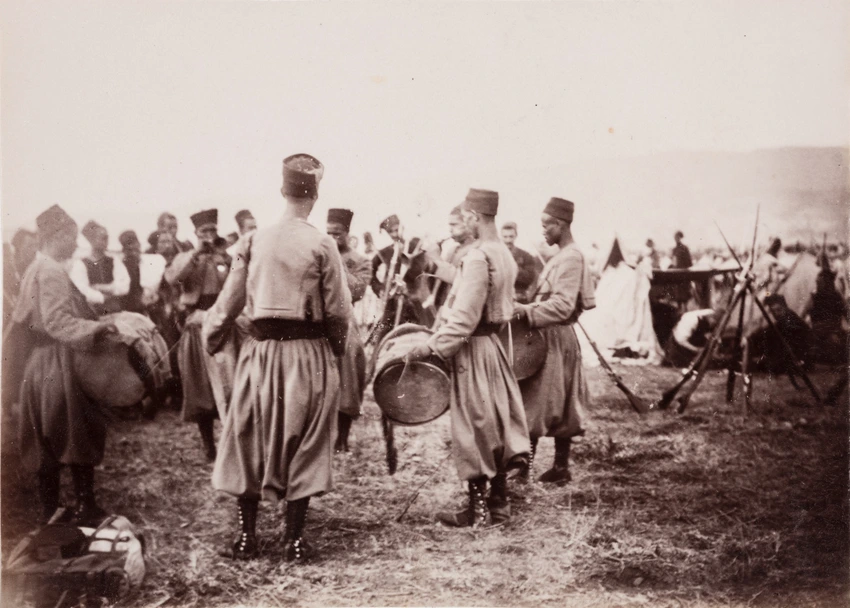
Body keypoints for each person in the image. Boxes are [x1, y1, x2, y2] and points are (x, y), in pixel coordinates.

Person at [203, 153, 351, 562]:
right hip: (308, 354)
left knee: (249, 434)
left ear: (282, 190)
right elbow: (339, 310)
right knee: (305, 438)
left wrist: (212, 338)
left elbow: (228, 301)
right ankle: (294, 540)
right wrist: (335, 354)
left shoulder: (250, 240)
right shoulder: (322, 243)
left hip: (261, 353)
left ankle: (247, 538)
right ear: (315, 195)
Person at [403, 189, 530, 528]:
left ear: (474, 217)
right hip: (494, 348)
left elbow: (463, 319)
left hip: (472, 350)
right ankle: (499, 504)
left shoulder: (477, 258)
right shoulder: (503, 253)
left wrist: (430, 347)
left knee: (472, 428)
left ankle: (477, 510)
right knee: (496, 425)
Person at [3, 205, 118, 523]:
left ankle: (50, 510)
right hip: (57, 361)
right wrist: (97, 328)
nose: (75, 243)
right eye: (71, 236)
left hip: (37, 365)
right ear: (56, 236)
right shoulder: (51, 270)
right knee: (75, 427)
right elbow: (56, 322)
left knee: (45, 438)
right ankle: (85, 506)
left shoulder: (34, 268)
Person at [513, 197, 596, 486]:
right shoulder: (562, 256)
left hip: (555, 337)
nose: (544, 232)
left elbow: (562, 306)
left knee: (538, 401)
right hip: (549, 336)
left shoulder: (571, 257)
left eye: (546, 226)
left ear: (560, 225)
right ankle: (551, 467)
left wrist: (525, 311)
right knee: (550, 401)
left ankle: (529, 469)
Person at [164, 209, 233, 461]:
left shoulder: (225, 256)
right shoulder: (185, 256)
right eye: (204, 232)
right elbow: (174, 278)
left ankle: (229, 439)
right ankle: (208, 445)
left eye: (212, 231)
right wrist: (196, 253)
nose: (209, 235)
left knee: (229, 383)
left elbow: (237, 284)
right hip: (196, 325)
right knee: (200, 386)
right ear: (195, 234)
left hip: (223, 324)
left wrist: (222, 256)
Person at [327, 207, 371, 453]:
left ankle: (342, 437)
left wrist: (336, 262)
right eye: (328, 233)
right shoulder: (317, 252)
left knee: (349, 372)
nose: (333, 238)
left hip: (345, 320)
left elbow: (357, 290)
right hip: (320, 320)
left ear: (347, 233)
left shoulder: (360, 260)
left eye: (338, 234)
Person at [70, 221, 131, 315]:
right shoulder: (81, 264)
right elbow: (82, 291)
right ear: (91, 240)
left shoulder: (114, 261)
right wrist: (103, 297)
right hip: (92, 314)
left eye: (107, 237)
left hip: (115, 312)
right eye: (103, 238)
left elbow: (124, 287)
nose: (106, 241)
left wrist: (100, 287)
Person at [425, 205, 477, 312]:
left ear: (467, 223)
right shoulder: (452, 250)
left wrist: (436, 258)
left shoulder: (475, 249)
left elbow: (460, 279)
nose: (450, 229)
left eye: (454, 225)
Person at [501, 221, 538, 304]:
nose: (508, 240)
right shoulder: (496, 255)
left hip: (519, 301)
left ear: (516, 236)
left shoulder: (526, 256)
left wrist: (512, 267)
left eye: (511, 236)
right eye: (505, 237)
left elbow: (529, 278)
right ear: (501, 237)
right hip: (500, 301)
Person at [118, 230, 146, 314]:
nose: (133, 247)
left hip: (142, 304)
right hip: (131, 306)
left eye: (134, 243)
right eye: (129, 245)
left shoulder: (142, 262)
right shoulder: (124, 265)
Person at [670, 230, 694, 312]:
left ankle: (685, 309)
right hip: (676, 274)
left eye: (678, 237)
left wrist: (686, 270)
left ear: (680, 238)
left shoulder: (685, 248)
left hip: (684, 273)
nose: (676, 239)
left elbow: (689, 262)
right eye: (675, 237)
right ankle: (679, 309)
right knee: (677, 293)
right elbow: (673, 261)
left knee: (684, 293)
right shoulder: (674, 250)